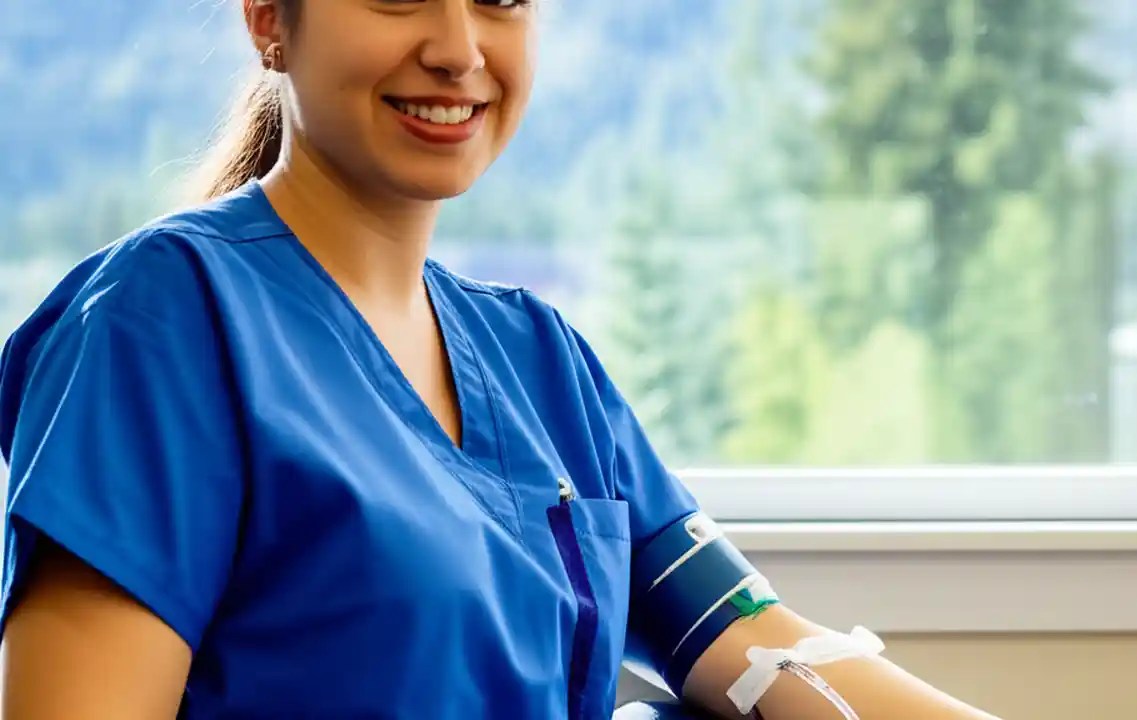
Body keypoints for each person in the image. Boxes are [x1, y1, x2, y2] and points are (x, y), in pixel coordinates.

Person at [0, 2, 1004, 718]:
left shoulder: (537, 359)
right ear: (269, 18)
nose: (458, 49)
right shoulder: (159, 326)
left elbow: (753, 643)